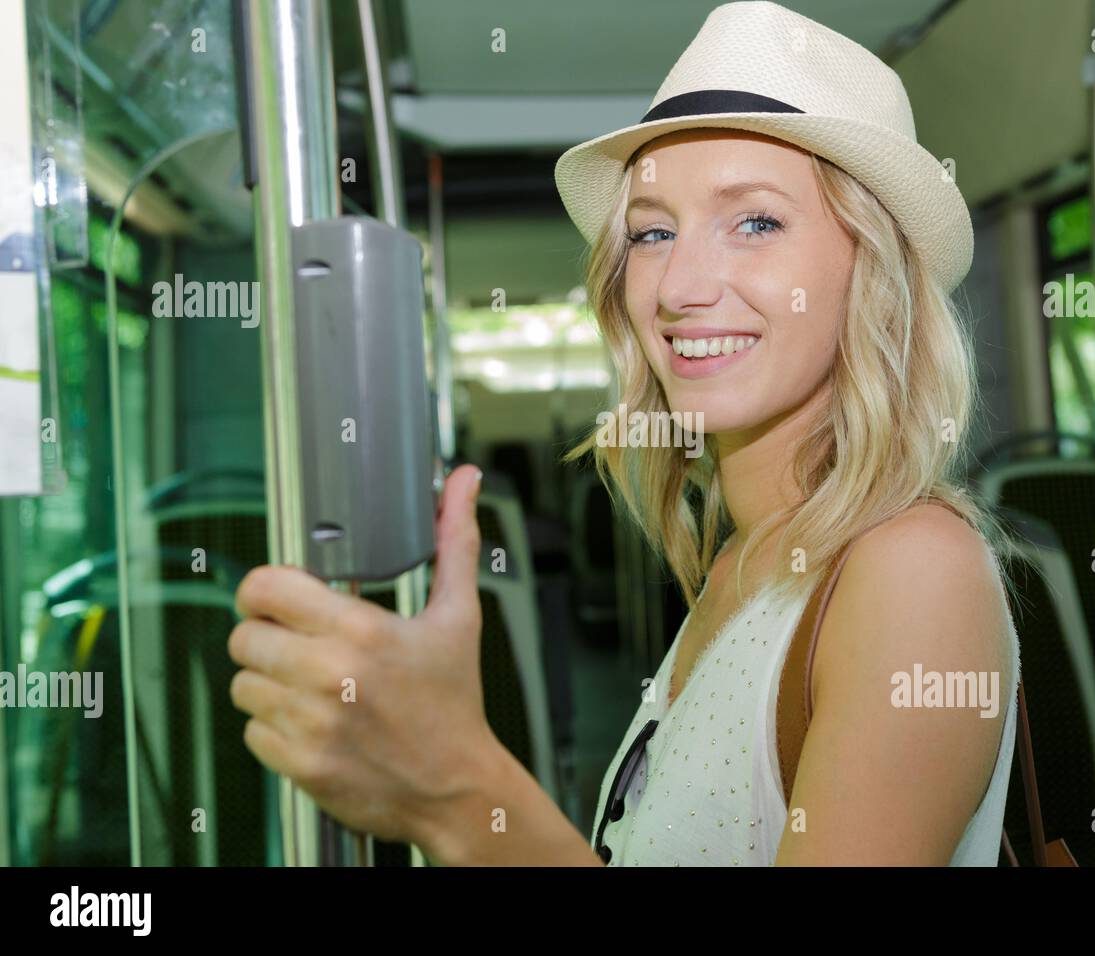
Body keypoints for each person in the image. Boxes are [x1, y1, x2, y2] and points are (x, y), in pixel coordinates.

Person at [228, 0, 1020, 866]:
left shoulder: (915, 571)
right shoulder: (737, 562)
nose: (679, 284)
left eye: (754, 221)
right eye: (651, 232)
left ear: (872, 268)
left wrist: (455, 787)